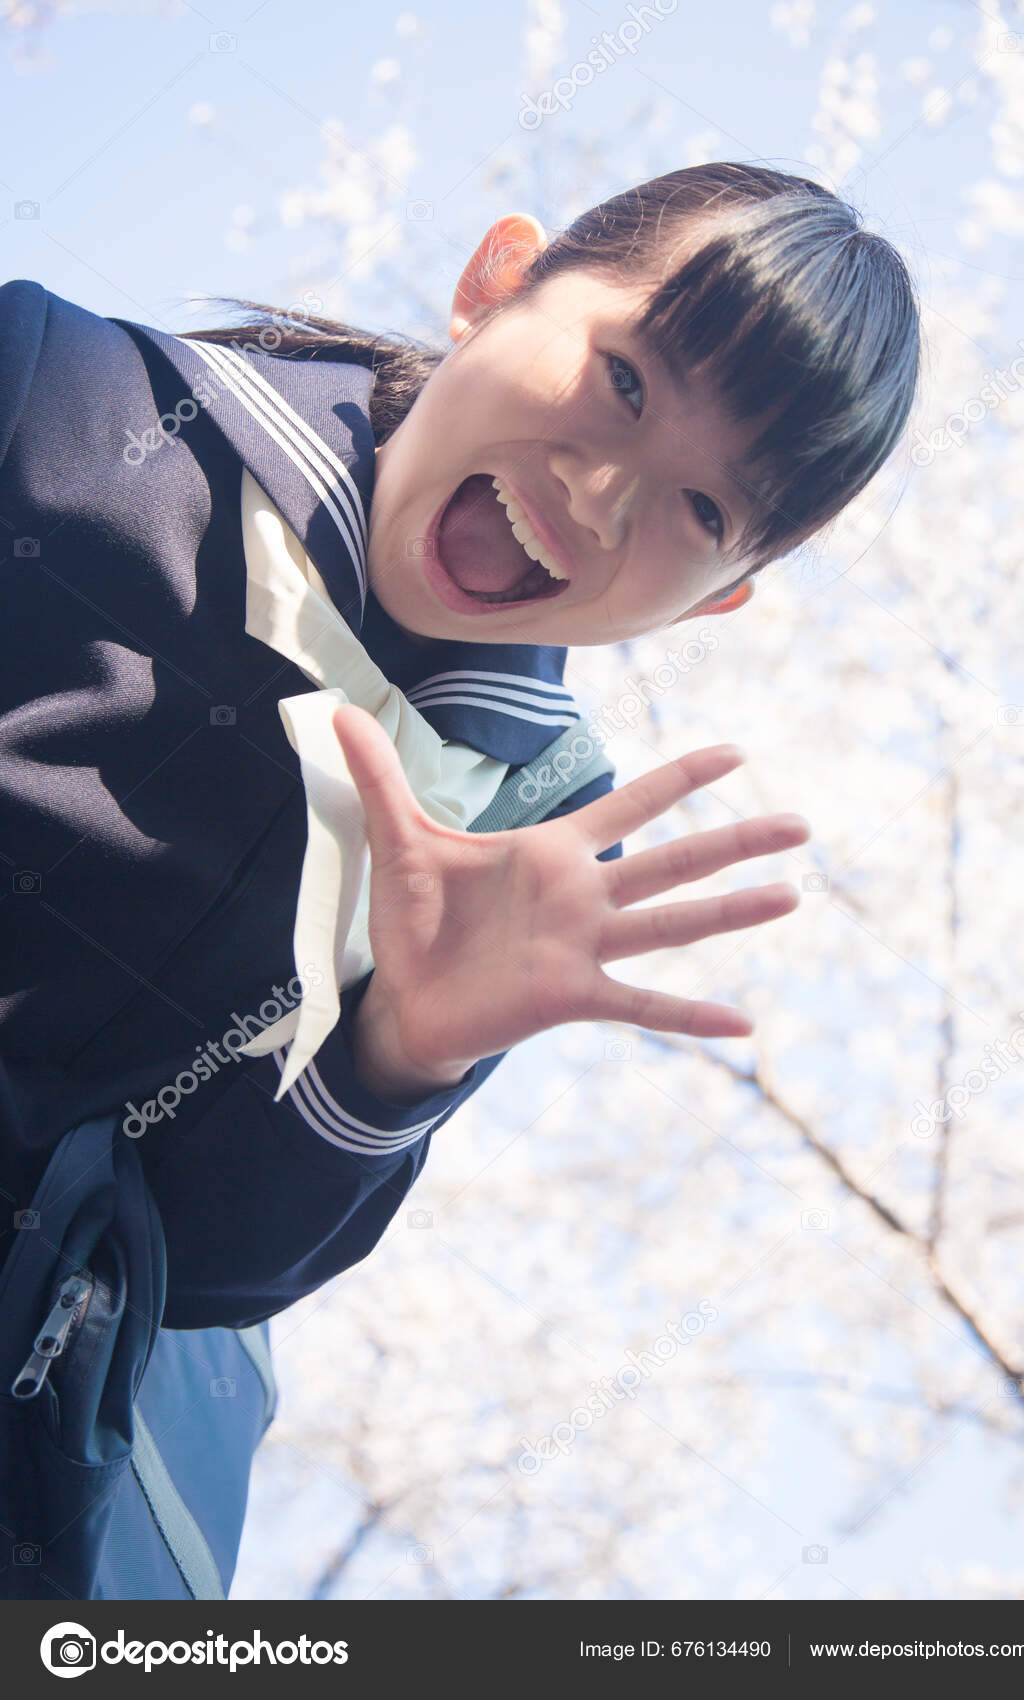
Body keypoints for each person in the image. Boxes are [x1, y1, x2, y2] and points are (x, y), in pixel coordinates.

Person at [0, 162, 920, 1333]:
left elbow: (196, 1272)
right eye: (625, 379)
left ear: (714, 601)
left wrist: (394, 1058)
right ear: (495, 283)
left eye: (703, 511)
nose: (597, 497)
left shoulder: (527, 839)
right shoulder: (61, 394)